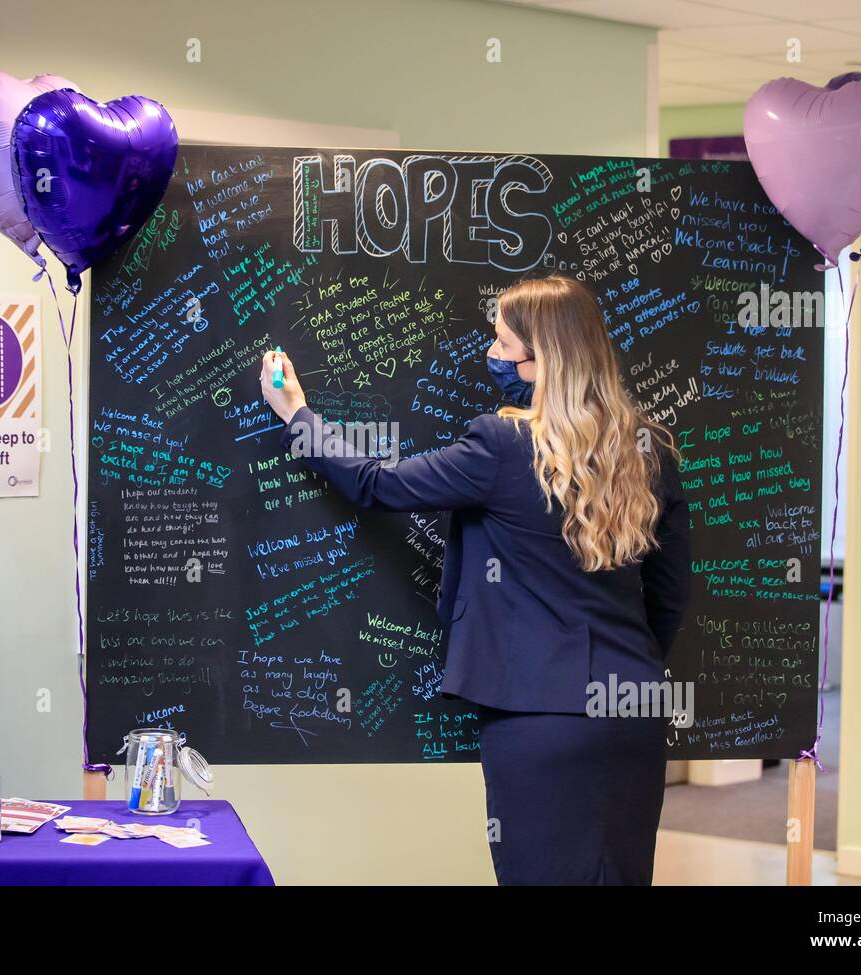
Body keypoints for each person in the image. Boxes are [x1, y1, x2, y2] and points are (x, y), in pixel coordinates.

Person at [259, 274, 691, 885]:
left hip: (535, 718)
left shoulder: (502, 445)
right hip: (633, 714)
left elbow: (377, 483)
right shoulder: (652, 453)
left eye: (504, 345)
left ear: (546, 362)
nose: (491, 355)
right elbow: (670, 596)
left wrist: (298, 416)